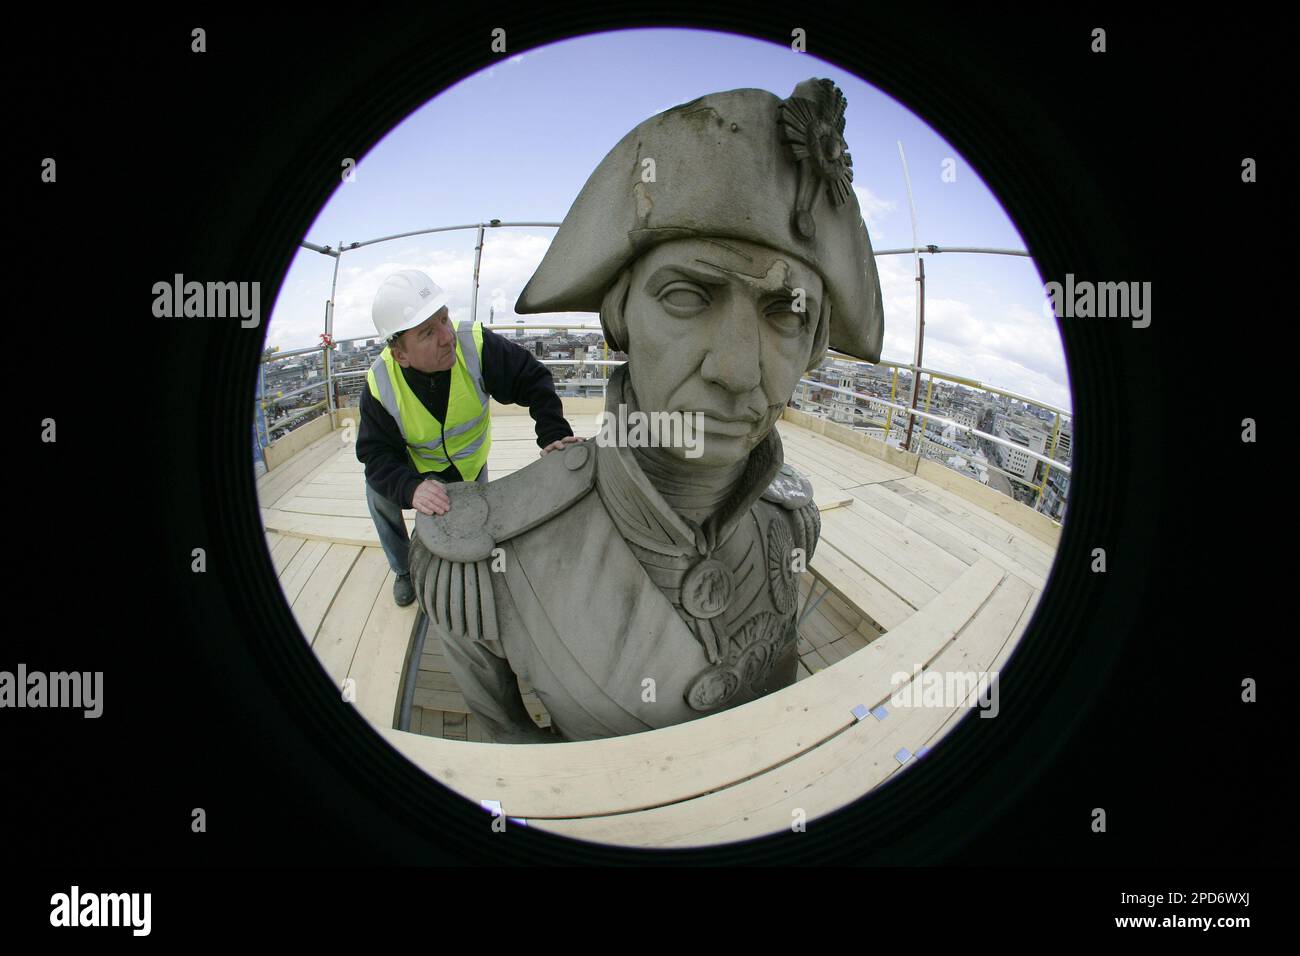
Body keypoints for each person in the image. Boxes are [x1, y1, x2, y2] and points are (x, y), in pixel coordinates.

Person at [409, 78, 884, 743]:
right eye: (689, 296)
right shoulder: (482, 557)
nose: (739, 369)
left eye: (786, 313)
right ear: (619, 317)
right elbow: (510, 760)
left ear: (814, 345)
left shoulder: (792, 522)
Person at [356, 269, 580, 606]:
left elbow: (533, 379)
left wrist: (554, 434)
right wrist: (410, 487)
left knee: (478, 531)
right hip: (418, 468)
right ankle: (403, 568)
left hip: (471, 463)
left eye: (444, 318)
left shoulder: (475, 345)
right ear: (400, 355)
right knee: (378, 492)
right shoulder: (380, 385)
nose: (446, 337)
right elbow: (376, 457)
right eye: (428, 332)